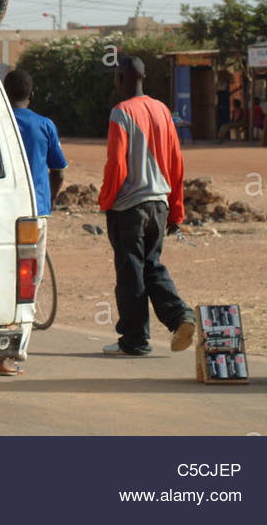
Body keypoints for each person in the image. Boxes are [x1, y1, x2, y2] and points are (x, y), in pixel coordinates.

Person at [98, 56, 195, 356]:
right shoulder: (164, 111)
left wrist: (106, 200)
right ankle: (181, 317)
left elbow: (116, 163)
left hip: (130, 207)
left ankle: (135, 340)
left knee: (130, 273)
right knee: (151, 267)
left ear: (122, 78)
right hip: (159, 204)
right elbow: (177, 164)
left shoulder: (121, 113)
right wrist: (176, 211)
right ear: (144, 76)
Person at [0, 69, 67, 375]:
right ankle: (12, 355)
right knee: (28, 283)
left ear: (2, 89)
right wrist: (47, 202)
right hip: (33, 214)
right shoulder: (45, 125)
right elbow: (59, 171)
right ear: (32, 94)